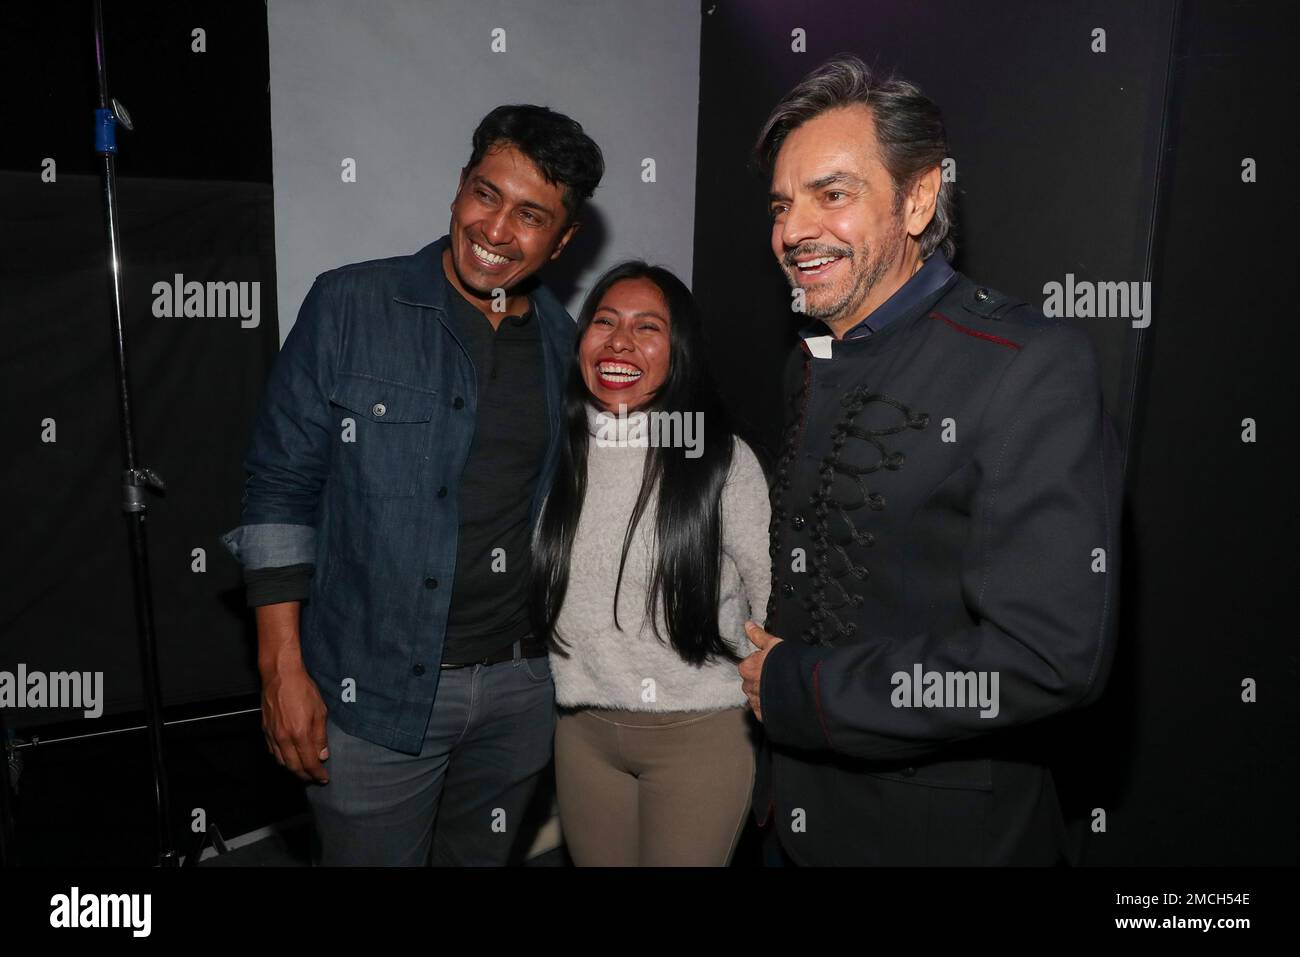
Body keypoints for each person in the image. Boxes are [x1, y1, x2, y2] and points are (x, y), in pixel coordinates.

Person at [738, 56, 1123, 865]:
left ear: (918, 199)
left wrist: (801, 690)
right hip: (789, 816)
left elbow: (1045, 657)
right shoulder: (808, 354)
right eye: (782, 204)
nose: (794, 230)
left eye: (832, 194)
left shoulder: (1027, 362)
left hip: (934, 840)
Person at [221, 104, 604, 866]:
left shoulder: (570, 349)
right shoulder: (350, 306)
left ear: (561, 241)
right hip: (372, 692)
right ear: (459, 186)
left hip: (521, 693)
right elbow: (278, 488)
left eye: (530, 215)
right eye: (486, 194)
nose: (496, 229)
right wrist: (280, 668)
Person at [531, 261, 771, 866]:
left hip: (701, 734)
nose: (619, 342)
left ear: (679, 352)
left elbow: (772, 594)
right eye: (604, 322)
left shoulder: (719, 459)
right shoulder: (554, 453)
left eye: (647, 328)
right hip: (581, 733)